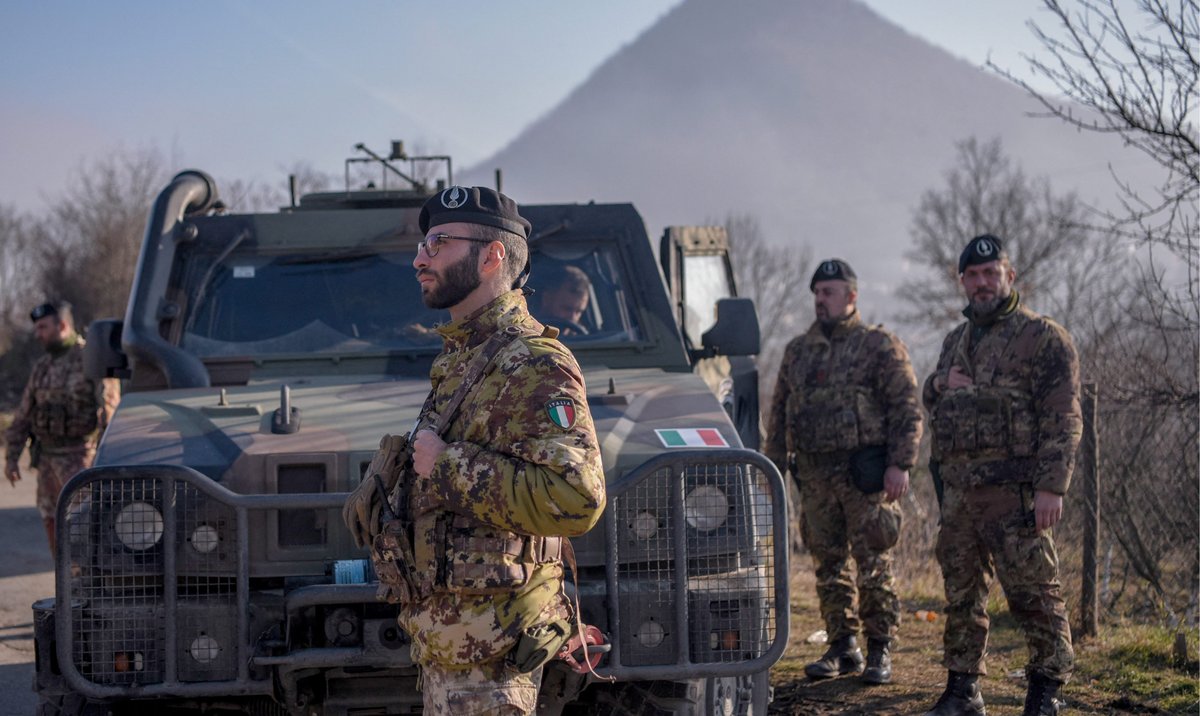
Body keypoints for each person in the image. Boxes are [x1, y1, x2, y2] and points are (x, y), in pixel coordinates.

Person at [345, 186, 606, 715]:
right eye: (423, 243)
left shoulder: (534, 362)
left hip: (496, 655)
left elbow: (578, 498)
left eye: (439, 242)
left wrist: (447, 467)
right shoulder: (466, 357)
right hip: (454, 646)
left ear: (492, 256)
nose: (420, 257)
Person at [922, 235, 1081, 716]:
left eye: (992, 273)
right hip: (961, 494)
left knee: (1033, 591)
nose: (982, 282)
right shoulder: (957, 340)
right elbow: (935, 401)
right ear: (963, 282)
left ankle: (1047, 688)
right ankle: (963, 689)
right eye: (973, 275)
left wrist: (1052, 486)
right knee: (962, 594)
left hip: (1017, 494)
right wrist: (937, 383)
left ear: (1010, 277)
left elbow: (1063, 417)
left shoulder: (1043, 337)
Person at [764, 259, 922, 686]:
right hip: (814, 476)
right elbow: (778, 414)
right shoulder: (798, 351)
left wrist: (900, 464)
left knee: (873, 563)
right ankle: (841, 645)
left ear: (852, 296)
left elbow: (906, 407)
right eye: (816, 292)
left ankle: (879, 648)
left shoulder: (879, 346)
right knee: (827, 565)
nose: (820, 299)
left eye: (829, 292)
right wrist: (771, 470)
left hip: (863, 475)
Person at [5, 302, 120, 555]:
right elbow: (24, 415)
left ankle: (85, 585)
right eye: (37, 328)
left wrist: (108, 460)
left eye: (43, 327)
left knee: (85, 527)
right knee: (52, 521)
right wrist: (12, 457)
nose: (39, 334)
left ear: (63, 325)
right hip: (47, 462)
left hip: (81, 459)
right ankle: (64, 580)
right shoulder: (42, 367)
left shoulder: (90, 360)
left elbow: (111, 412)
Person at [535, 265, 591, 335]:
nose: (573, 317)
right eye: (566, 308)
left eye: (578, 311)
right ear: (547, 299)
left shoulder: (586, 340)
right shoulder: (525, 331)